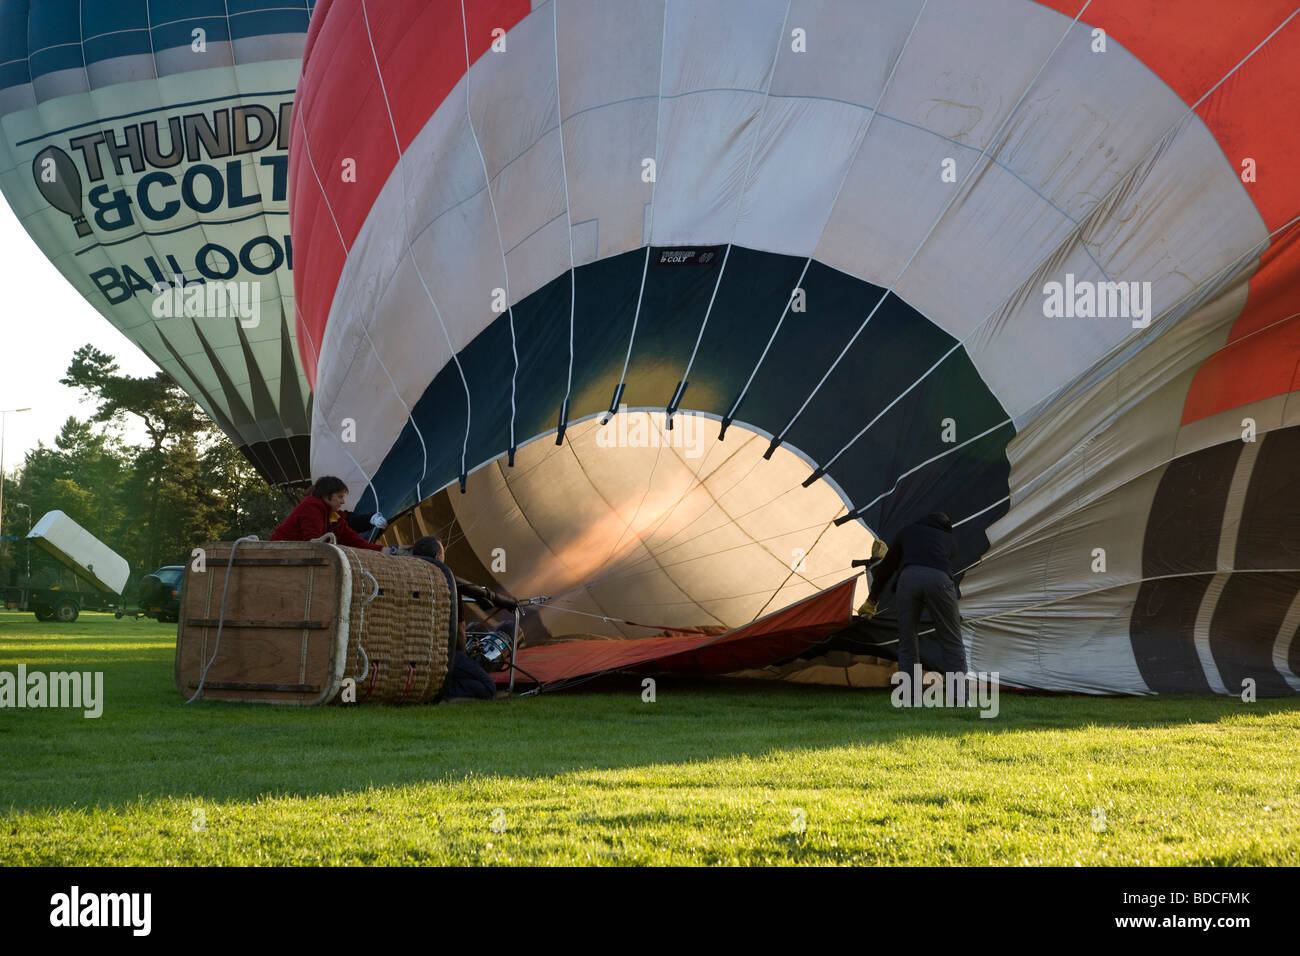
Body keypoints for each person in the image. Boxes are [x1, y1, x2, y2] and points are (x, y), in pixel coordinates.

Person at [860, 511, 966, 679]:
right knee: (951, 640)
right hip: (940, 580)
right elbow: (938, 561)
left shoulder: (908, 531)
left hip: (908, 579)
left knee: (907, 641)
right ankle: (961, 698)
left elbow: (887, 568)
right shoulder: (950, 540)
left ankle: (910, 696)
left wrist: (872, 599)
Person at [409, 535, 498, 701]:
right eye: (443, 554)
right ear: (437, 558)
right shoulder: (447, 584)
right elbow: (460, 629)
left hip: (411, 651)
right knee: (488, 687)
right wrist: (463, 656)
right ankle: (442, 692)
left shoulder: (408, 580)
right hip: (442, 653)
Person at [270, 476, 386, 551]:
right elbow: (313, 543)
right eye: (340, 496)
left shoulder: (334, 516)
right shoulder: (311, 507)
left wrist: (384, 550)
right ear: (326, 496)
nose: (343, 501)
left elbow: (353, 540)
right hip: (277, 554)